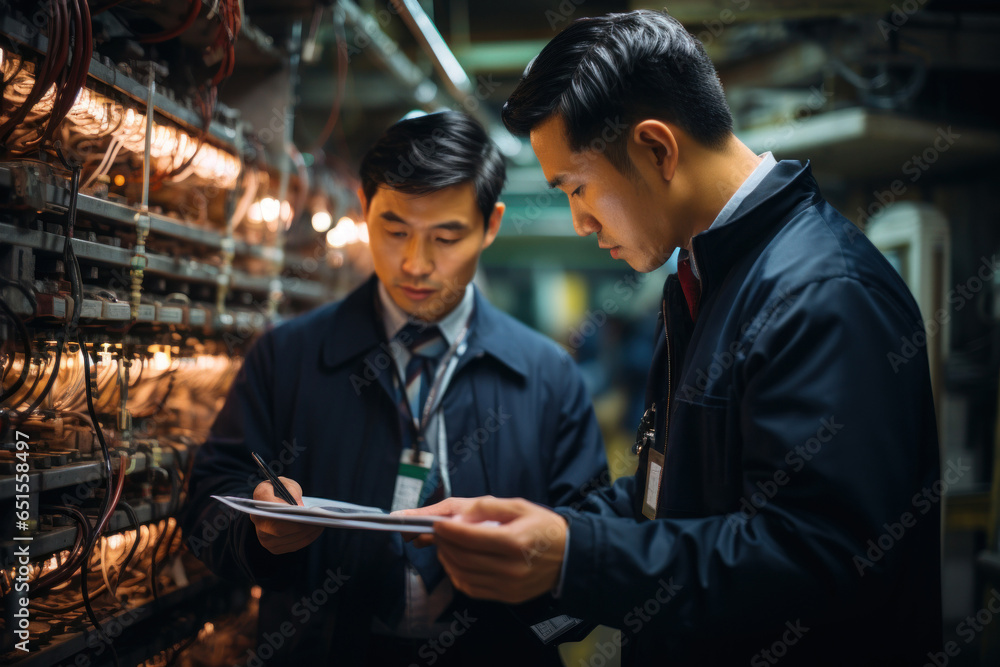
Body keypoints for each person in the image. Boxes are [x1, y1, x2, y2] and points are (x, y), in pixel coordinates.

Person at [406, 11, 943, 666]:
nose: (579, 221)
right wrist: (539, 531)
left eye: (576, 187)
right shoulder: (702, 282)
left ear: (657, 149)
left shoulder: (822, 294)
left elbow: (817, 562)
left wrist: (575, 558)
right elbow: (668, 498)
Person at [181, 110, 608, 665]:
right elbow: (206, 501)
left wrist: (537, 595)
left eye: (446, 236)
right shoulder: (288, 357)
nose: (415, 262)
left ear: (491, 225)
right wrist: (257, 531)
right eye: (395, 229)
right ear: (364, 209)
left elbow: (595, 541)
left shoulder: (547, 375)